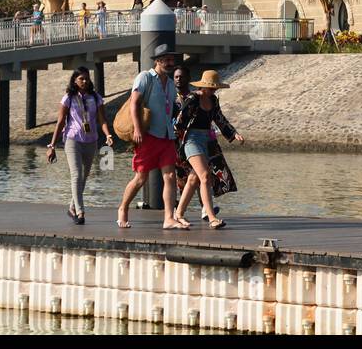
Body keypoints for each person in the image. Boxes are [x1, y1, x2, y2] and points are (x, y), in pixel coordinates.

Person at [117, 44, 184, 229]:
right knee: (141, 178)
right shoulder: (145, 77)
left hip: (166, 136)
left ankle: (168, 218)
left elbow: (169, 110)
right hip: (148, 136)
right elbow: (134, 103)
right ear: (158, 61)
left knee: (170, 176)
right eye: (167, 60)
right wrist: (138, 129)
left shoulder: (170, 84)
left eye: (172, 60)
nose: (171, 63)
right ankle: (123, 208)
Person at [172, 70, 242, 229]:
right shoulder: (193, 99)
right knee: (205, 176)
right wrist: (176, 141)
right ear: (203, 87)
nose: (213, 91)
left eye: (215, 88)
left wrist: (233, 133)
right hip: (191, 140)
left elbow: (220, 119)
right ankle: (211, 217)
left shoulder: (214, 100)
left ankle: (179, 214)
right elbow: (180, 120)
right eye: (211, 88)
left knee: (193, 179)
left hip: (207, 141)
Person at [47, 66, 114, 224]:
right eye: (81, 79)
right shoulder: (68, 98)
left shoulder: (96, 98)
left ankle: (71, 207)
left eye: (86, 78)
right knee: (76, 174)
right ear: (74, 80)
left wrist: (108, 134)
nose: (84, 81)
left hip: (91, 141)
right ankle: (80, 211)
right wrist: (52, 145)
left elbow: (102, 119)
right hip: (73, 139)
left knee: (83, 177)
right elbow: (60, 121)